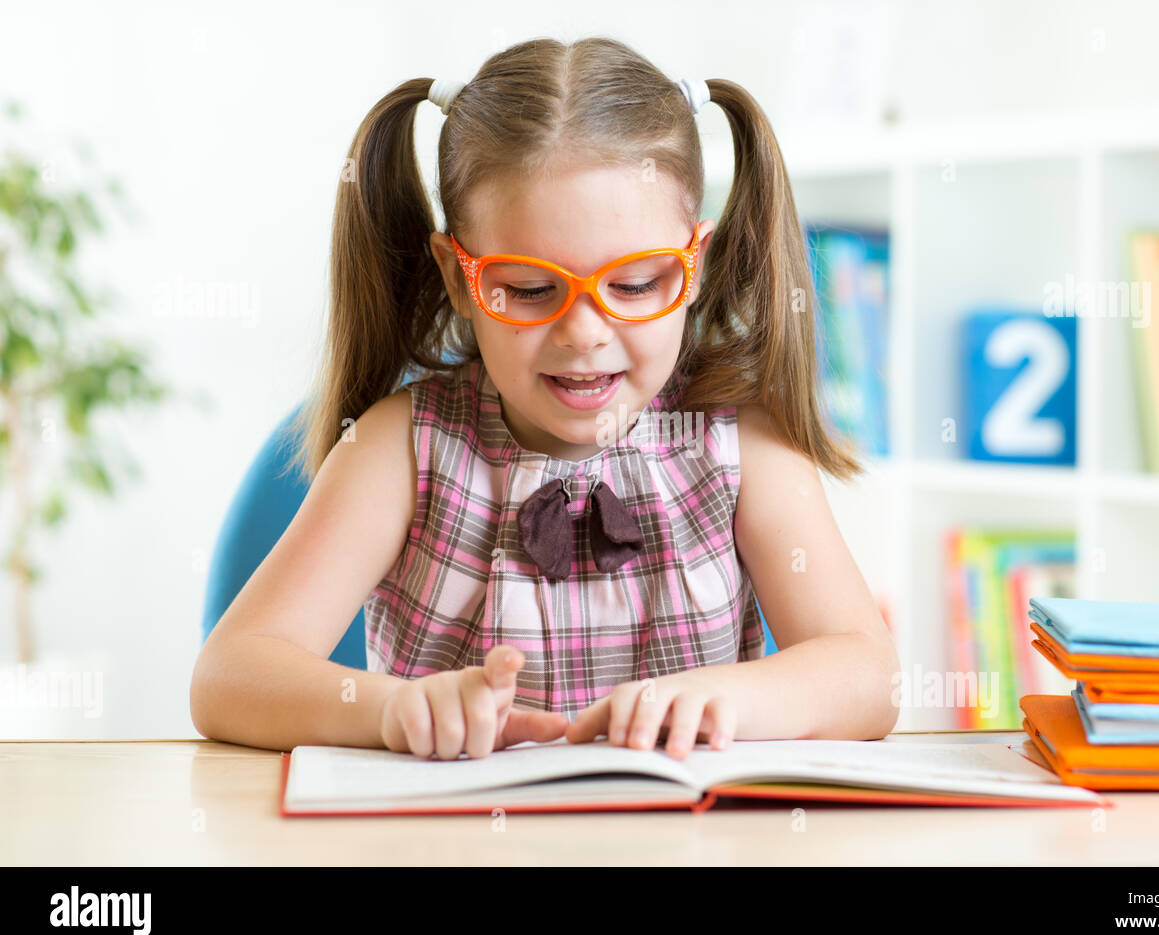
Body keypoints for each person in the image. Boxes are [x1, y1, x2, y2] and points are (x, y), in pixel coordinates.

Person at [191, 36, 899, 762]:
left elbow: (871, 677)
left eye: (633, 285)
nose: (584, 333)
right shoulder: (398, 449)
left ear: (693, 264)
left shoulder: (742, 442)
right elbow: (231, 675)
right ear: (460, 279)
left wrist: (728, 700)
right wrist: (392, 710)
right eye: (529, 289)